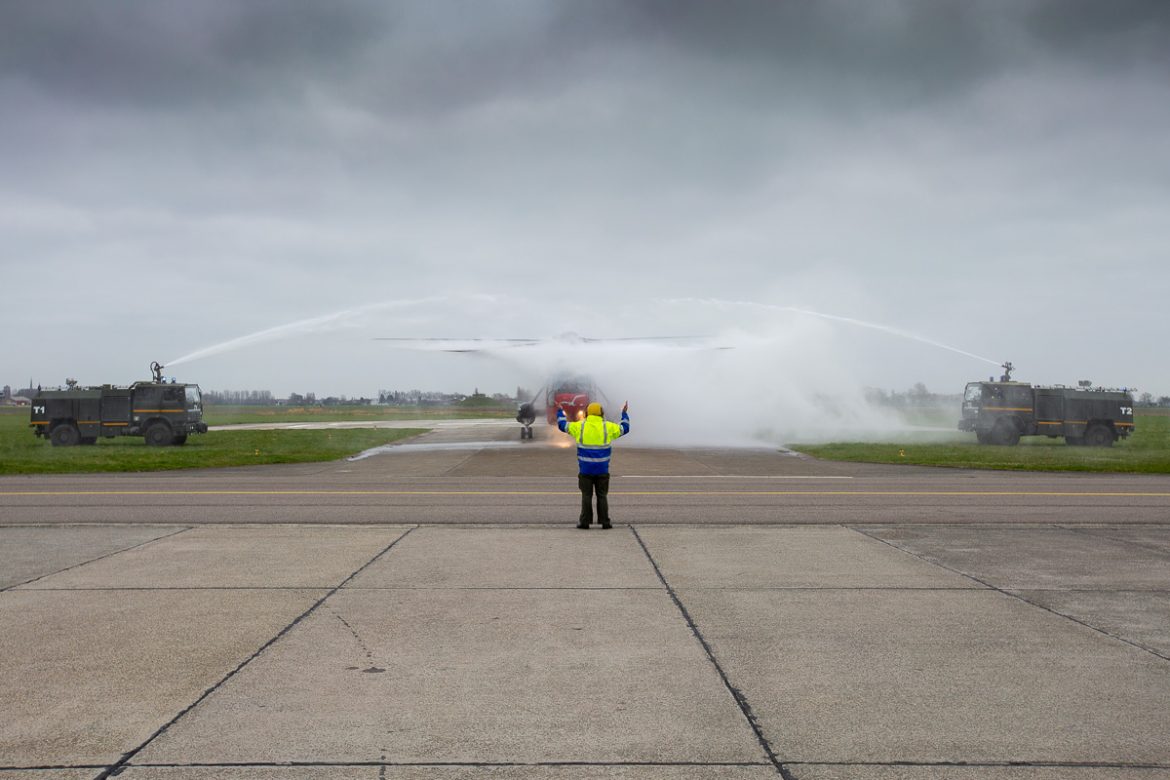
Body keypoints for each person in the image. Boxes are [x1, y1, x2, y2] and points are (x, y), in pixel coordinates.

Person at [557, 400, 630, 529]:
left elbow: (562, 425)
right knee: (602, 496)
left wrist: (560, 411)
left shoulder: (580, 426)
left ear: (586, 414)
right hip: (602, 470)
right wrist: (624, 414)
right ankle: (605, 522)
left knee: (586, 496)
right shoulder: (608, 427)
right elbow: (625, 428)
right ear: (601, 413)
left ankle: (585, 522)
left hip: (585, 470)